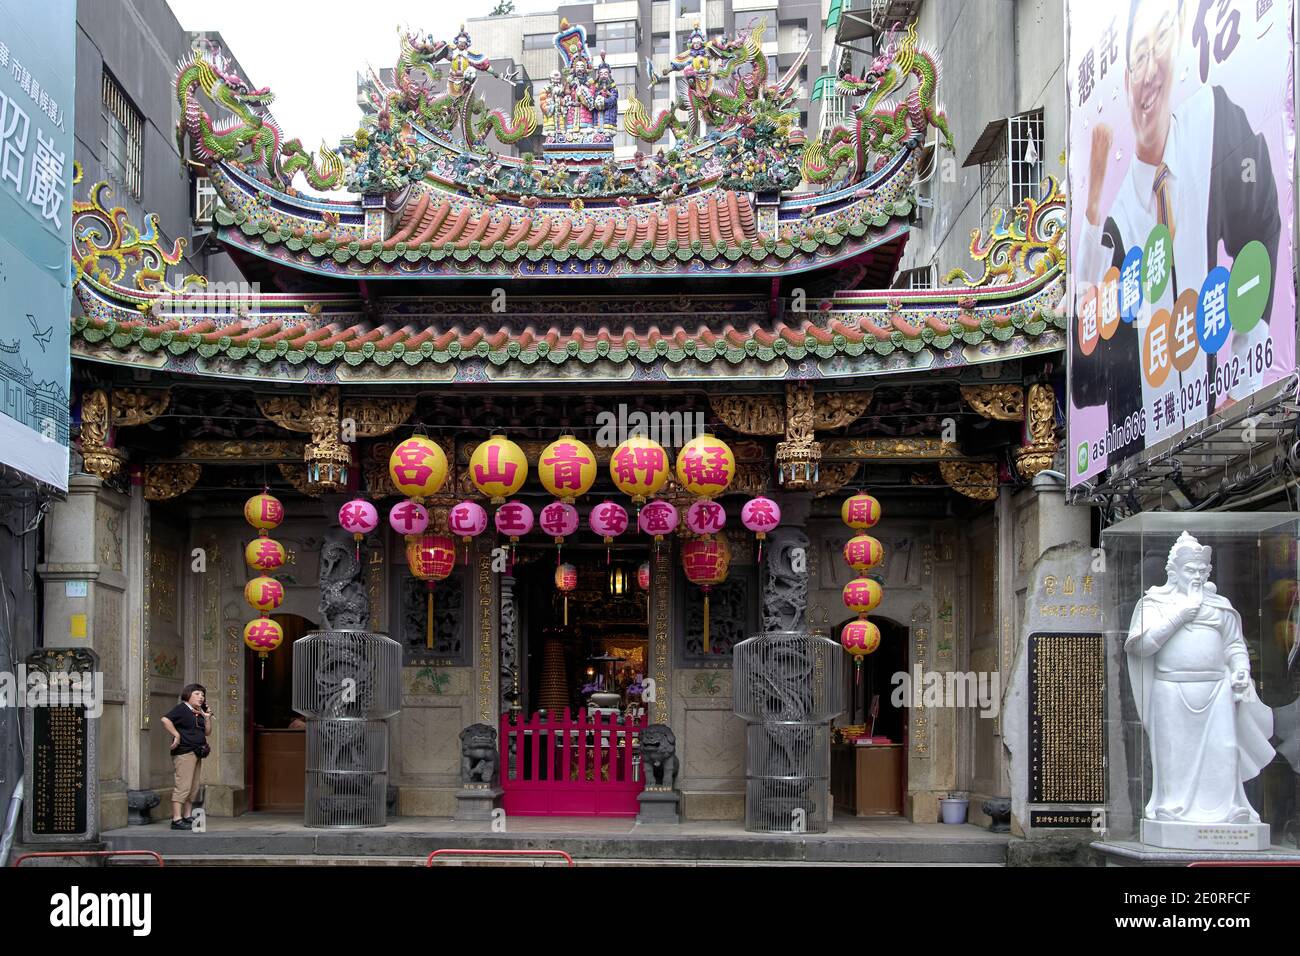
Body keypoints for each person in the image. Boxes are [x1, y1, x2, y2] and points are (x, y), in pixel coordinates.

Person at [1071, 0, 1280, 437]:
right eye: (1138, 56)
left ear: (1182, 38)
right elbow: (1086, 384)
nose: (1150, 71)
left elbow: (1260, 219)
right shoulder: (1114, 226)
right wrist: (1090, 212)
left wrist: (1243, 372)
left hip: (1220, 431)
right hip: (1143, 460)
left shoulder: (1214, 122)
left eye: (1161, 39)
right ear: (1125, 82)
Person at [1125, 533, 1273, 828]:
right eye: (1189, 570)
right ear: (1174, 572)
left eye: (1201, 571)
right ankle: (1172, 806)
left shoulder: (1220, 605)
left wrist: (1241, 667)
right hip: (1172, 688)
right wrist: (1180, 616)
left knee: (1224, 749)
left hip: (1216, 688)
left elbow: (1234, 645)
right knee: (1173, 752)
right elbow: (1140, 646)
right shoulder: (1154, 603)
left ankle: (1229, 809)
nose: (1196, 576)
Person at [160, 684, 213, 831]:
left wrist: (207, 718)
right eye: (197, 694)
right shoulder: (182, 708)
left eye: (202, 694)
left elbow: (207, 732)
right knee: (182, 786)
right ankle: (176, 819)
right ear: (188, 695)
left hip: (197, 752)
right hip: (184, 753)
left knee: (193, 787)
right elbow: (165, 719)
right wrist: (176, 735)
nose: (201, 697)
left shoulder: (199, 712)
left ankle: (187, 816)